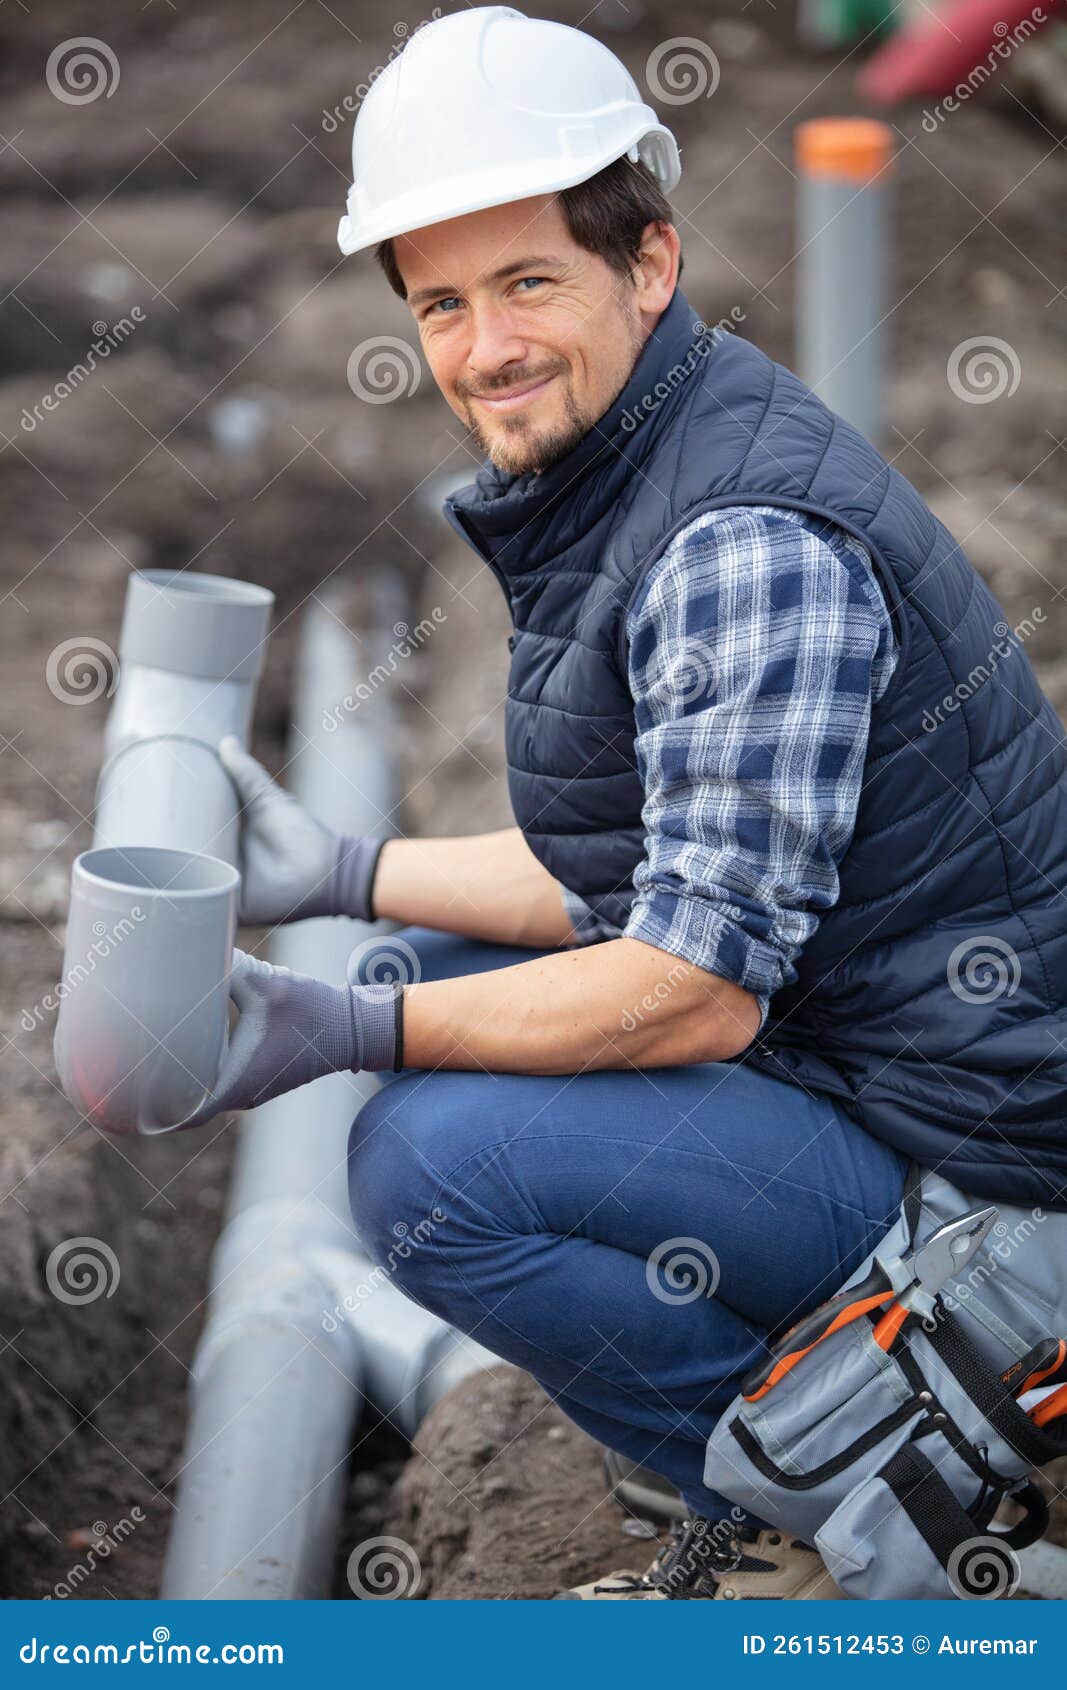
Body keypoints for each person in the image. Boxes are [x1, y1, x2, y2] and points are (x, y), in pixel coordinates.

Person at [187, 9, 1067, 1599]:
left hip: (984, 1176)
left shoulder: (737, 544)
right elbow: (649, 866)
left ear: (647, 262)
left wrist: (348, 1030)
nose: (485, 347)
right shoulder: (639, 454)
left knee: (423, 1161)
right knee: (422, 976)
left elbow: (696, 984)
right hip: (868, 1066)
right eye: (443, 302)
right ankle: (777, 1414)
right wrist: (339, 868)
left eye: (528, 282)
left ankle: (844, 1505)